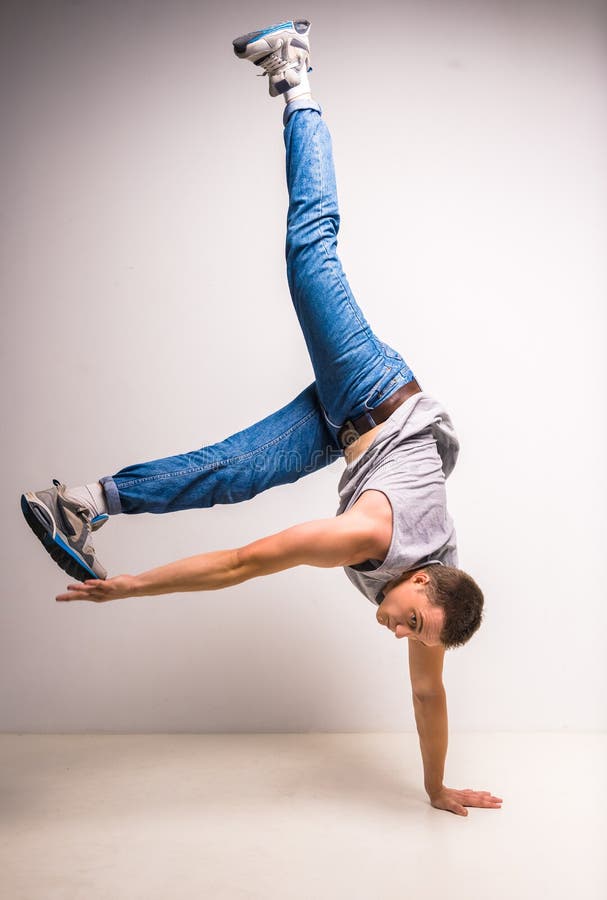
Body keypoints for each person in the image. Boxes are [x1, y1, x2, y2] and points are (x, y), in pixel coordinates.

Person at [21, 20, 502, 816]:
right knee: (310, 252)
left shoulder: (431, 599)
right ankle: (295, 74)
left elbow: (426, 699)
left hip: (350, 432)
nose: (400, 633)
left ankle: (78, 501)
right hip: (373, 391)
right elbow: (247, 561)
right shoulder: (368, 540)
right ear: (419, 578)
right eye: (410, 622)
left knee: (230, 471)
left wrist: (433, 787)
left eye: (414, 634)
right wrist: (132, 590)